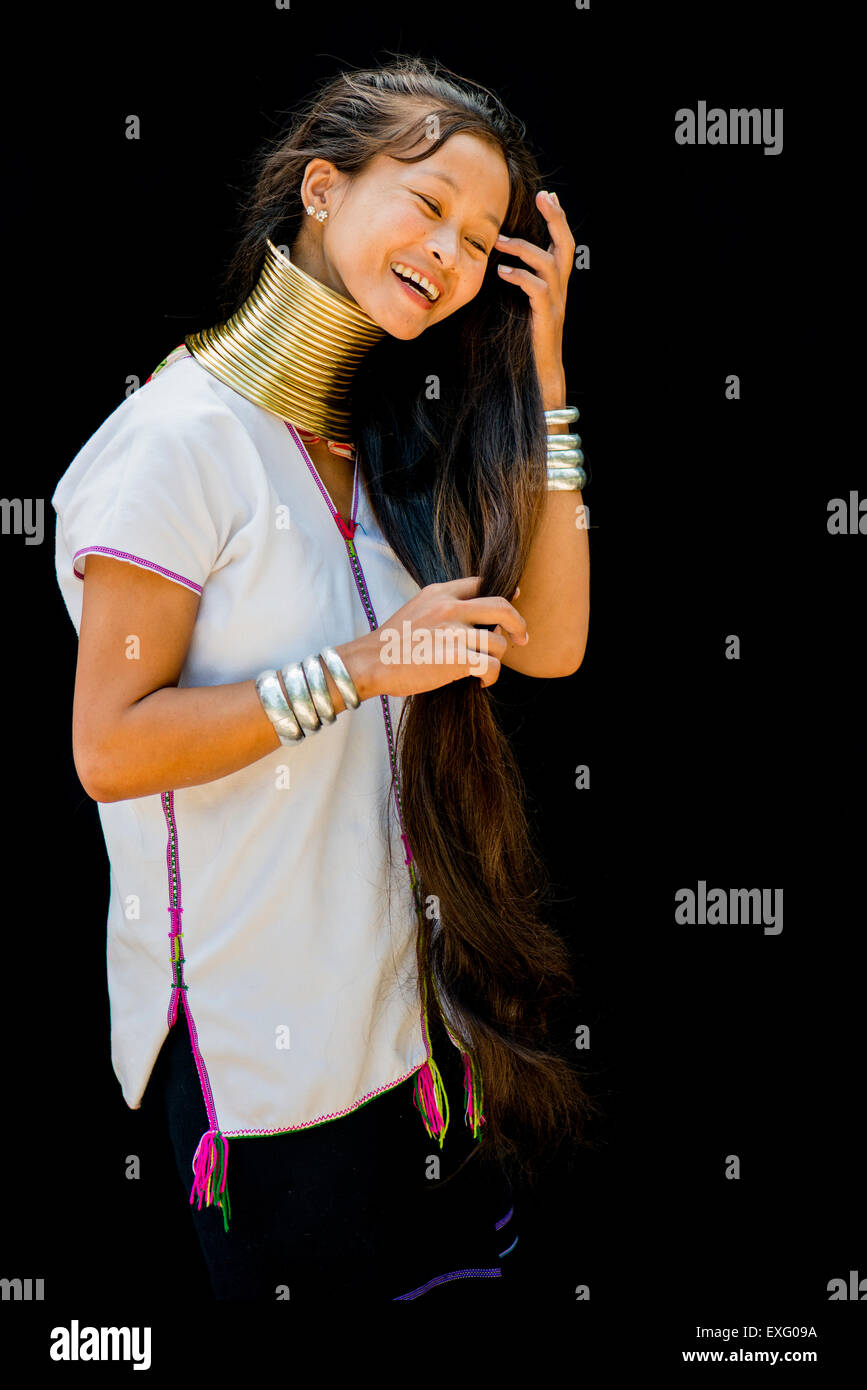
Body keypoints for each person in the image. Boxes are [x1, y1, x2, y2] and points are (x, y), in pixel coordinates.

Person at [51, 54, 592, 1303]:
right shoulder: (175, 442)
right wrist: (357, 670)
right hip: (274, 1097)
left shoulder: (382, 442)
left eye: (480, 239)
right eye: (428, 203)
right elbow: (108, 748)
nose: (451, 252)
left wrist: (548, 368)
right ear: (321, 186)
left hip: (428, 1058)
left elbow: (553, 642)